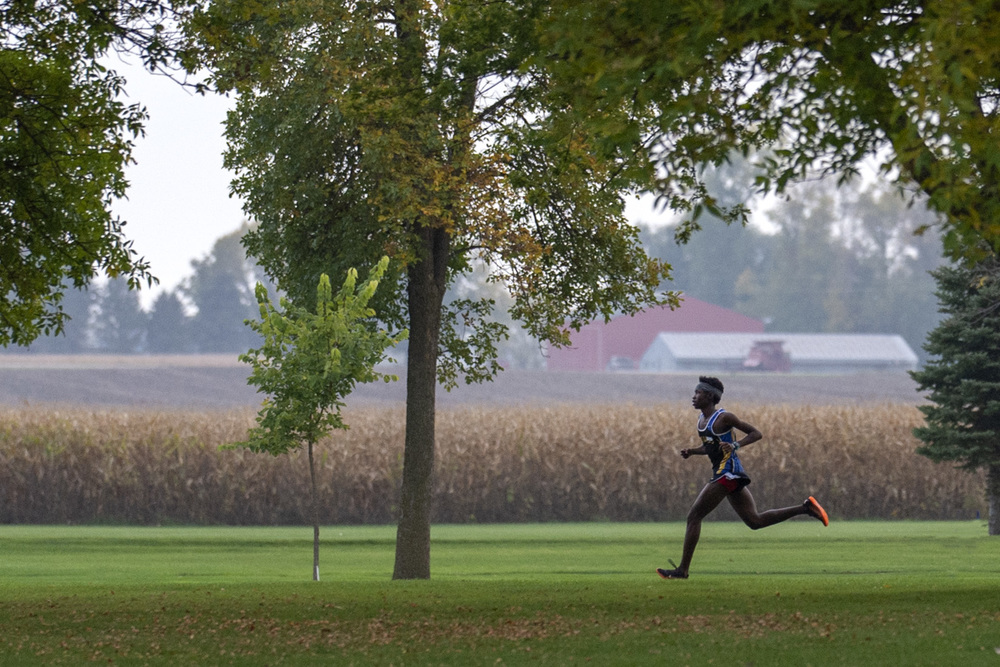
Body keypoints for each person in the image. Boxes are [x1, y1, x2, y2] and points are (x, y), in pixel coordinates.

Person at [657, 376, 829, 579]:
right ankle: (805, 508)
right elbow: (711, 446)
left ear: (710, 396)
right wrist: (693, 452)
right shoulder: (701, 421)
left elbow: (756, 433)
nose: (693, 397)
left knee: (694, 517)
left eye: (698, 393)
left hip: (727, 473)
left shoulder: (724, 418)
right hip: (727, 474)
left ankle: (682, 570)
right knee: (754, 521)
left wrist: (736, 445)